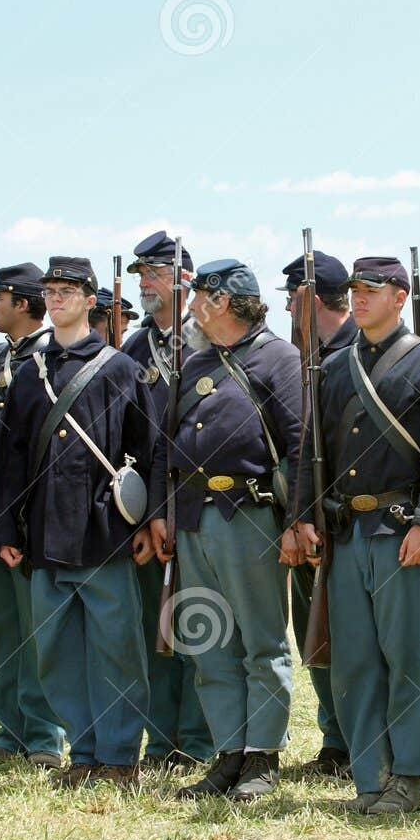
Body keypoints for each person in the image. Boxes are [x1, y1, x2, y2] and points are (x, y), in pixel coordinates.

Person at [293, 256, 420, 815]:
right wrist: (303, 514)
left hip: (400, 530)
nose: (358, 298)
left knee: (407, 656)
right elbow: (313, 448)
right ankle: (370, 776)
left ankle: (408, 776)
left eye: (371, 289)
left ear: (399, 296)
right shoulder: (334, 368)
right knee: (355, 660)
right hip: (346, 531)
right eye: (354, 290)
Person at [0, 256, 156, 790]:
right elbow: (11, 458)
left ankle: (119, 756)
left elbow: (149, 452)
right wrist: (5, 530)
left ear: (89, 299)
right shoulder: (29, 374)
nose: (57, 298)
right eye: (51, 290)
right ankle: (83, 752)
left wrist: (149, 522)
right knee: (56, 654)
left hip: (104, 533)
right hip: (44, 535)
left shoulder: (119, 369)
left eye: (67, 290)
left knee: (117, 650)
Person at [150, 259, 301, 801]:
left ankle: (263, 754)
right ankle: (229, 751)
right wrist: (161, 511)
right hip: (193, 516)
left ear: (223, 302)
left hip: (251, 514)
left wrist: (297, 520)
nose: (191, 306)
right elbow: (165, 446)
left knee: (261, 640)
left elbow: (300, 445)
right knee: (209, 643)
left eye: (199, 297)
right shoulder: (195, 363)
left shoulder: (279, 358)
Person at [121, 230, 214, 769]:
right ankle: (160, 741)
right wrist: (143, 514)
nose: (145, 284)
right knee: (152, 629)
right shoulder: (134, 348)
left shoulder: (207, 340)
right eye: (141, 275)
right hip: (147, 506)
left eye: (153, 274)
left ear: (183, 279)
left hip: (198, 503)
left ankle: (198, 742)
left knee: (198, 623)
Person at [0, 263, 65, 769]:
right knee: (1, 627)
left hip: (30, 505)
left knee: (37, 628)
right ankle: (8, 728)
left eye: (0, 297)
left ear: (23, 303)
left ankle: (44, 733)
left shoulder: (49, 358)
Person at [277, 250, 357, 780]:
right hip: (309, 518)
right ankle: (335, 738)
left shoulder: (357, 353)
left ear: (311, 296)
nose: (287, 307)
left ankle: (359, 738)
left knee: (352, 637)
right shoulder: (302, 356)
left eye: (293, 296)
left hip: (349, 520)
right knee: (317, 630)